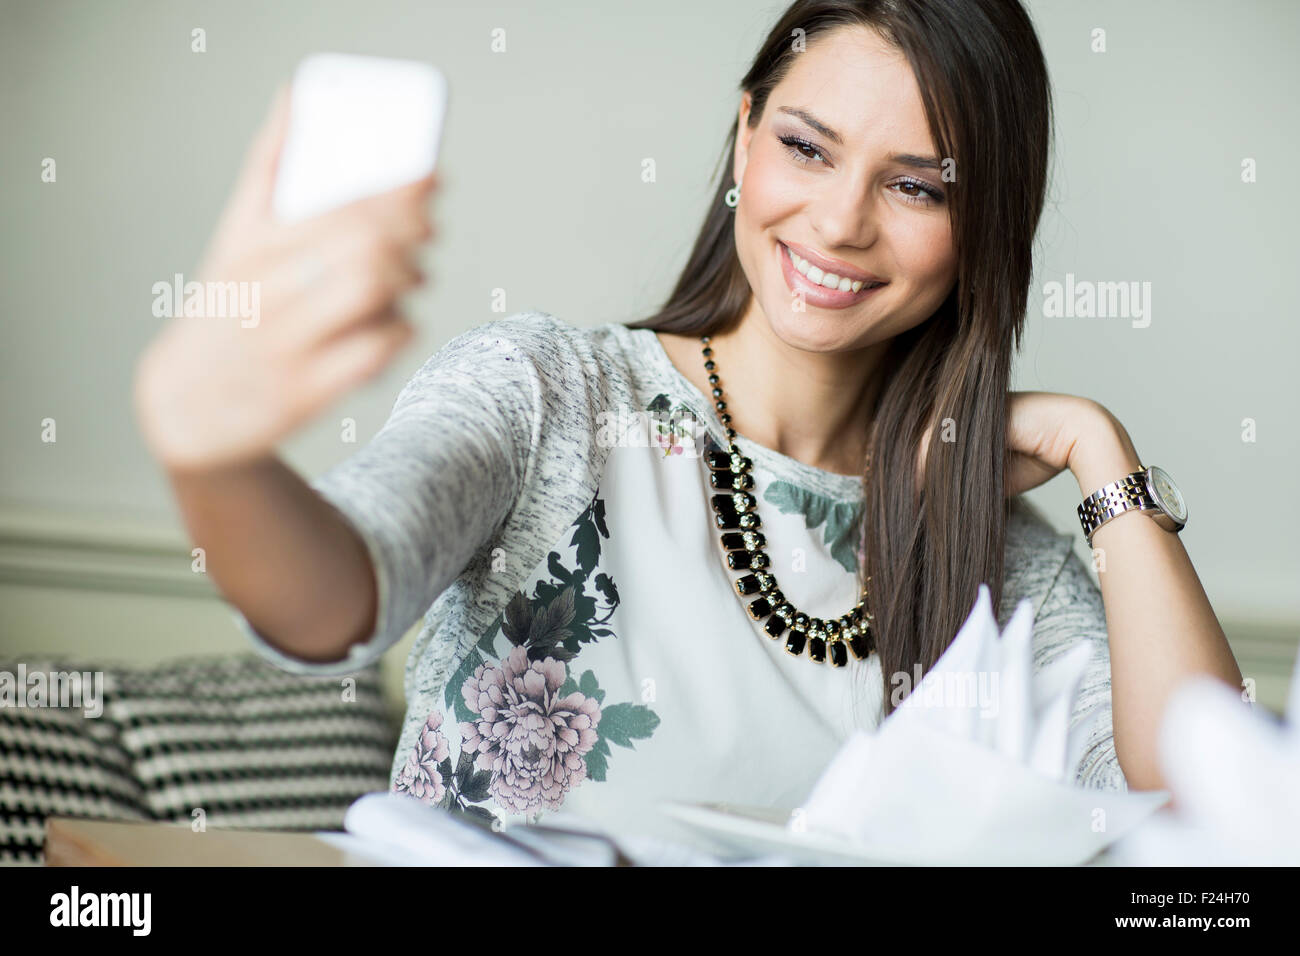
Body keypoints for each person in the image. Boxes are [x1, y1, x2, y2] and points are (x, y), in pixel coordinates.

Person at [133, 0, 1242, 837]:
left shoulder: (1004, 565)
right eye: (806, 147)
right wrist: (213, 454)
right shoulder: (546, 391)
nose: (840, 222)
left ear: (984, 224)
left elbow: (1200, 818)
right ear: (744, 135)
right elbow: (334, 595)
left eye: (918, 186)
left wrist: (1099, 449)